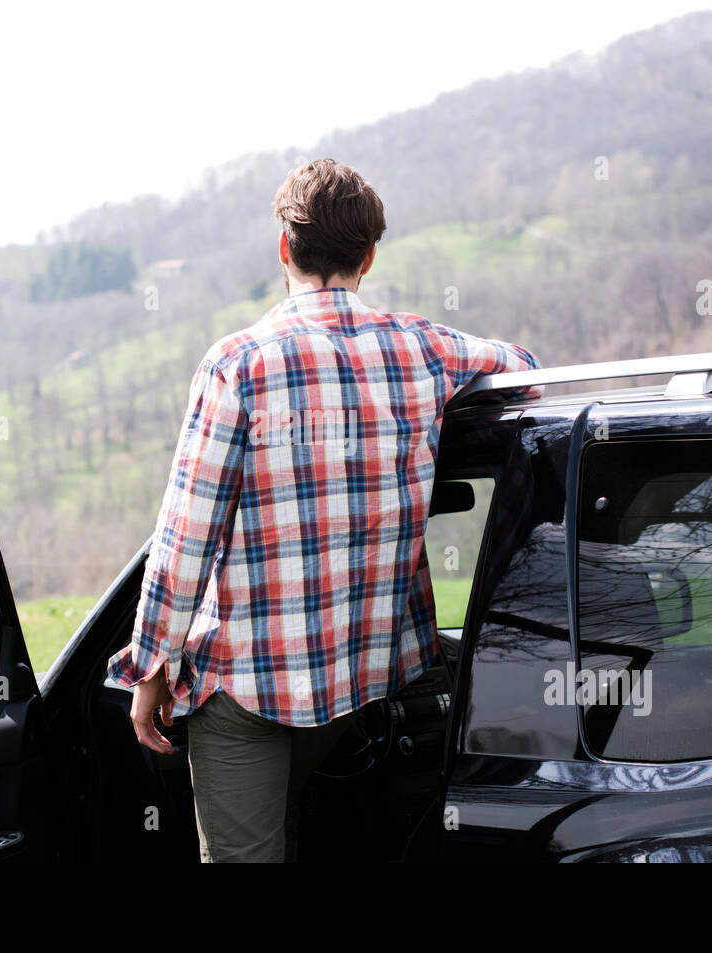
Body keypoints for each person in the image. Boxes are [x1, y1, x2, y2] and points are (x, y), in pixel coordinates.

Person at [106, 158, 541, 862]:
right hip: (357, 676)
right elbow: (521, 364)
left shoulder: (237, 365)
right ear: (369, 257)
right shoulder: (422, 350)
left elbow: (185, 539)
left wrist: (151, 668)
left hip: (245, 686)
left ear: (284, 248)